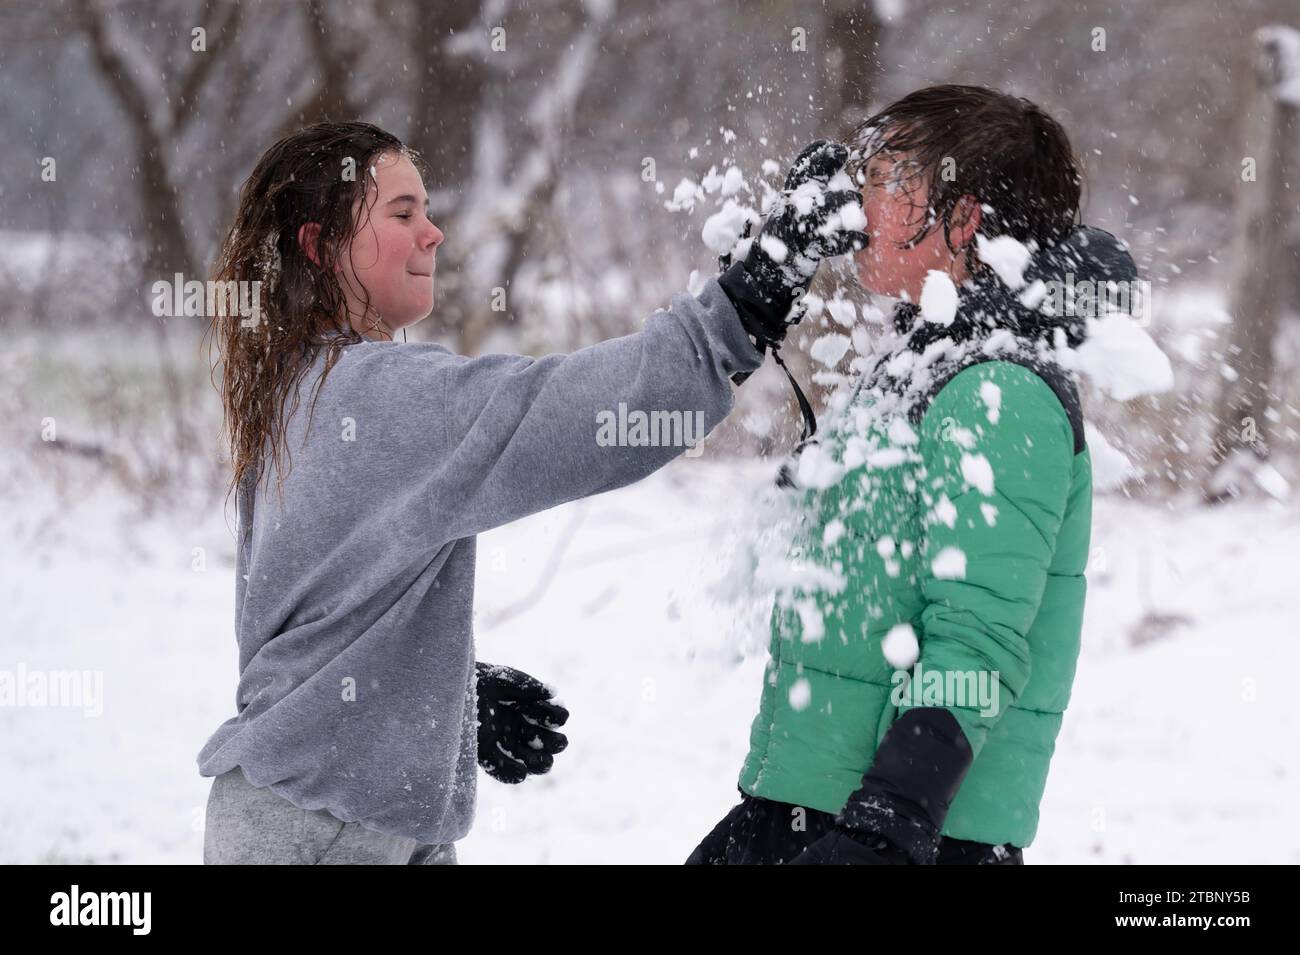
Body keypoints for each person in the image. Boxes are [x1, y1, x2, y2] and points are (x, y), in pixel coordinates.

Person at [196, 121, 866, 863]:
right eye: (402, 213)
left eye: (427, 210)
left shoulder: (303, 388)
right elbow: (574, 414)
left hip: (325, 812)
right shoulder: (371, 395)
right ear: (321, 247)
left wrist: (441, 692)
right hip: (321, 829)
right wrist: (740, 310)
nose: (434, 233)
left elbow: (320, 607)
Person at [688, 85, 1140, 865]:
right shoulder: (925, 365)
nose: (859, 198)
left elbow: (980, 641)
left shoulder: (1001, 390)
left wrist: (885, 823)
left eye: (890, 177)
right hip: (810, 806)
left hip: (910, 834)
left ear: (963, 220)